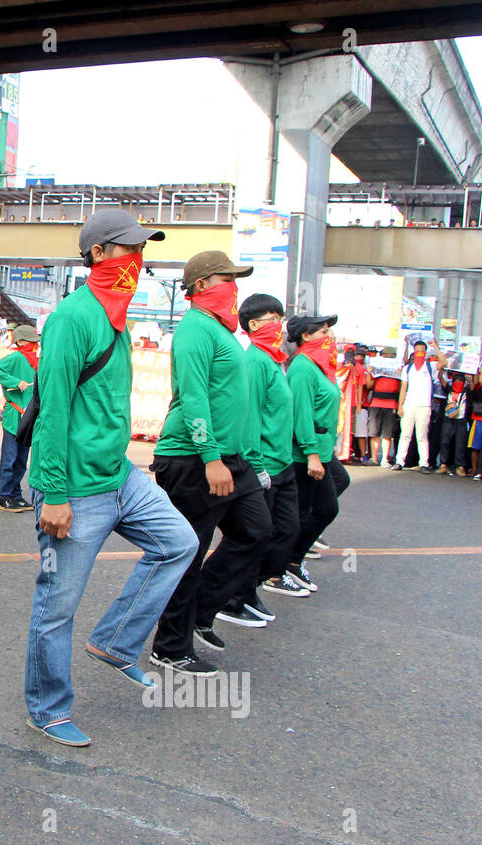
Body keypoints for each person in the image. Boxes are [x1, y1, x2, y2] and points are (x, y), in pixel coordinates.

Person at [25, 209, 196, 746]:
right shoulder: (74, 318)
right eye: (130, 249)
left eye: (143, 250)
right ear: (98, 253)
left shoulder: (116, 313)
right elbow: (52, 409)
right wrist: (53, 492)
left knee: (178, 543)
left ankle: (116, 641)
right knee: (57, 607)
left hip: (119, 476)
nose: (139, 260)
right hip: (73, 486)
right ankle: (48, 708)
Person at [149, 251, 272, 669]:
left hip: (229, 457)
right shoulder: (195, 330)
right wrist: (211, 458)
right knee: (188, 552)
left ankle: (199, 612)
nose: (235, 286)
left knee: (256, 530)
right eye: (228, 278)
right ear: (201, 285)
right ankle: (170, 647)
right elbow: (195, 396)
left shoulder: (220, 330)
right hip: (194, 459)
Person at [221, 294, 303, 617]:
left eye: (281, 319)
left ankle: (247, 590)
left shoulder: (273, 360)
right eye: (273, 318)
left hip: (283, 461)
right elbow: (250, 416)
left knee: (286, 530)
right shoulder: (255, 360)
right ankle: (235, 598)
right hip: (264, 462)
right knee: (260, 534)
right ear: (253, 325)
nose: (280, 325)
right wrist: (256, 466)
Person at [285, 314, 349, 594]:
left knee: (337, 485)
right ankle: (287, 561)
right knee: (323, 508)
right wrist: (311, 453)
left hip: (321, 448)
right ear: (306, 337)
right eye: (323, 331)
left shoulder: (321, 366)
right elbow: (302, 415)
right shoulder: (302, 368)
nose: (330, 336)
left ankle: (293, 554)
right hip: (306, 453)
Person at [0, 323, 39, 512]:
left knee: (21, 460)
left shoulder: (36, 361)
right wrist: (16, 382)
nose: (35, 345)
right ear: (22, 342)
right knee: (10, 459)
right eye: (32, 342)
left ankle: (16, 494)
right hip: (14, 415)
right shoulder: (16, 357)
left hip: (29, 417)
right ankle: (5, 496)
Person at [392, 340, 438, 472]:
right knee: (405, 435)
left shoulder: (430, 367)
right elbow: (403, 388)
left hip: (424, 406)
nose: (419, 353)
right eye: (417, 350)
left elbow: (444, 362)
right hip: (409, 405)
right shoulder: (408, 368)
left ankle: (424, 463)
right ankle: (399, 461)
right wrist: (400, 406)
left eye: (422, 350)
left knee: (422, 436)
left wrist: (435, 347)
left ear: (425, 352)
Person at [436, 365, 471, 477]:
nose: (458, 382)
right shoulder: (449, 389)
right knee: (445, 442)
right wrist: (442, 368)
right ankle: (443, 464)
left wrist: (473, 373)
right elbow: (440, 378)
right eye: (456, 380)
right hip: (448, 420)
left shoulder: (466, 391)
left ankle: (460, 466)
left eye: (460, 381)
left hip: (461, 421)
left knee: (460, 444)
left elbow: (474, 384)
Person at [366, 355, 401, 467]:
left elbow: (402, 388)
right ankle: (374, 458)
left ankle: (385, 459)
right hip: (376, 402)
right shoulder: (376, 371)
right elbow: (368, 385)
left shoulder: (397, 372)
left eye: (391, 357)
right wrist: (369, 373)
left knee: (387, 433)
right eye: (386, 356)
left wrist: (400, 375)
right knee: (374, 431)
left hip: (391, 404)